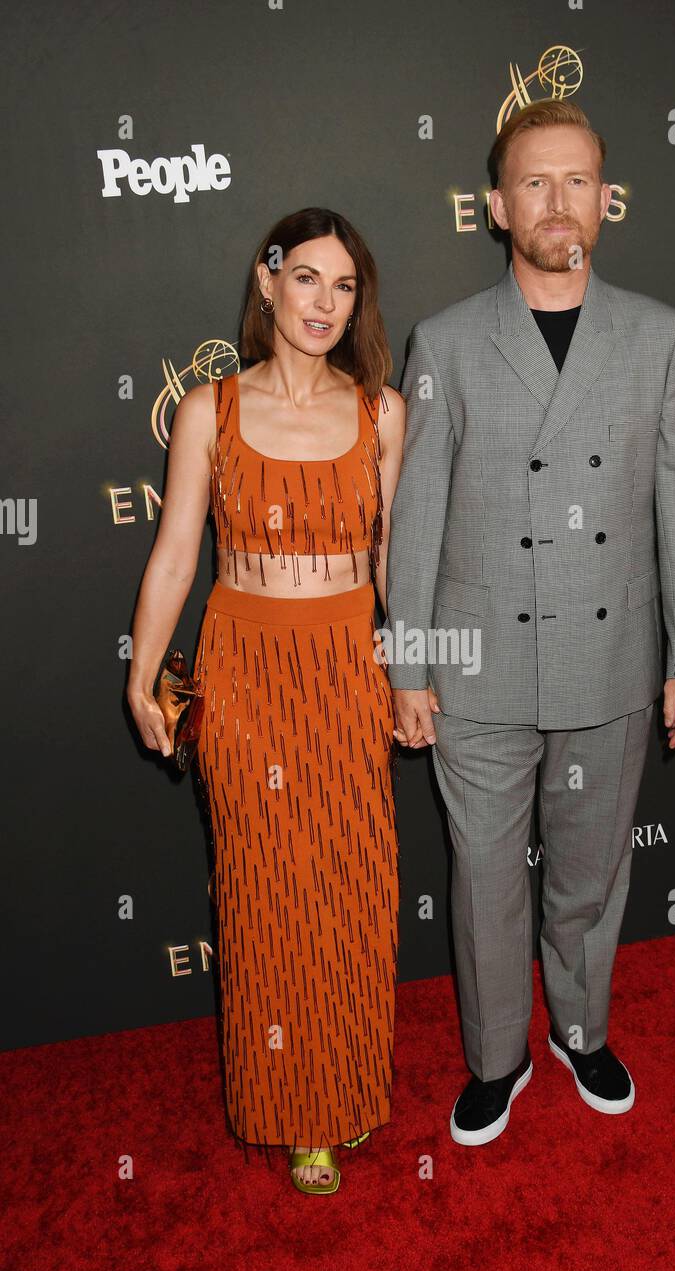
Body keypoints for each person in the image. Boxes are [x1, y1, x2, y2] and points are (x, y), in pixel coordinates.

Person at [384, 99, 675, 1145]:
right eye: (533, 181)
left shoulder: (657, 334)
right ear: (494, 206)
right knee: (484, 883)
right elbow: (416, 519)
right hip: (476, 667)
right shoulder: (442, 340)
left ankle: (579, 1028)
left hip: (608, 654)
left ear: (604, 200)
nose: (556, 201)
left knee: (586, 871)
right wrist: (408, 664)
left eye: (576, 179)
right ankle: (497, 1056)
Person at [127, 208, 405, 1193]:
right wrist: (141, 669)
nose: (324, 302)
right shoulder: (211, 410)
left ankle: (342, 1085)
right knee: (265, 895)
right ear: (266, 280)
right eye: (306, 280)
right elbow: (174, 556)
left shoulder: (382, 412)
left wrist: (410, 675)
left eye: (344, 287)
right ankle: (295, 1112)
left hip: (344, 667)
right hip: (242, 669)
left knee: (352, 887)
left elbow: (395, 568)